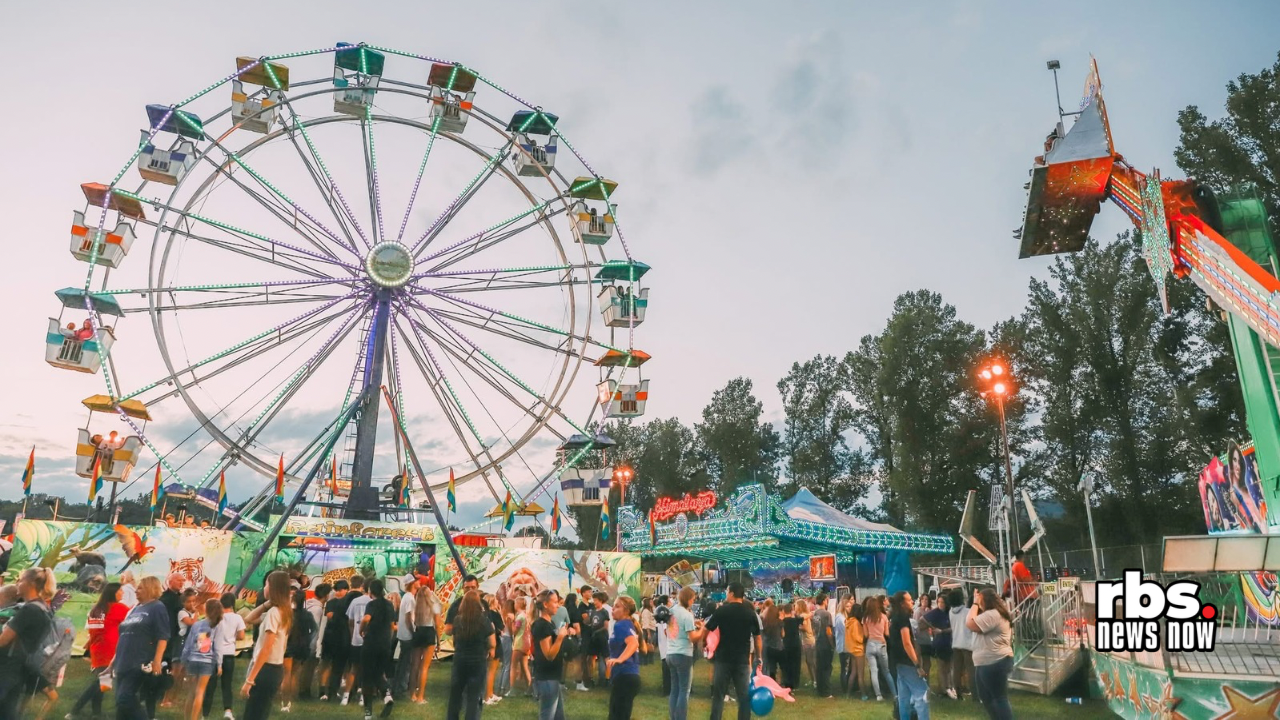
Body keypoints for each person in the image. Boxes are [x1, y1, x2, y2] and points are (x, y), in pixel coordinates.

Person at [0, 568, 57, 719]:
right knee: (7, 711)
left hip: (7, 668)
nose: (17, 583)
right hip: (22, 668)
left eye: (21, 579)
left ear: (31, 583)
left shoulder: (28, 610)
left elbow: (3, 641)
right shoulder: (44, 609)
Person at [113, 575, 171, 720]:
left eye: (140, 588)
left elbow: (163, 636)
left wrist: (157, 660)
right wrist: (113, 660)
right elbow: (123, 635)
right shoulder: (134, 609)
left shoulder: (157, 607)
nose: (136, 591)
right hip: (122, 661)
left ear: (150, 589)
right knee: (121, 706)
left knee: (125, 698)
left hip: (139, 661)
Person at [70, 582, 128, 719]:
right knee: (101, 682)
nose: (123, 593)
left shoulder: (96, 608)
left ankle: (96, 713)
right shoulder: (120, 608)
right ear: (114, 593)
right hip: (111, 649)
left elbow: (93, 632)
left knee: (101, 681)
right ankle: (74, 711)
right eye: (121, 591)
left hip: (97, 648)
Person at [704, 582, 761, 720]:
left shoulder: (722, 611)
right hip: (742, 660)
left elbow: (708, 628)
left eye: (727, 591)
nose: (726, 594)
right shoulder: (750, 613)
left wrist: (706, 645)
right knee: (743, 697)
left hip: (723, 659)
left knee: (718, 696)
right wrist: (759, 657)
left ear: (732, 593)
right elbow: (757, 638)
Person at [242, 571, 292, 720]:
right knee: (261, 712)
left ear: (273, 588)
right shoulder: (283, 611)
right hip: (276, 669)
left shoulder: (274, 613)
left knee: (252, 713)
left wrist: (249, 680)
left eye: (266, 584)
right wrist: (267, 603)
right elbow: (249, 619)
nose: (264, 588)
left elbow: (266, 648)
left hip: (266, 669)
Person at [445, 590, 494, 720]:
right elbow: (492, 642)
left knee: (455, 694)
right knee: (474, 696)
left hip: (460, 660)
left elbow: (455, 640)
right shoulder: (484, 621)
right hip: (477, 661)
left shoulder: (457, 620)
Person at [967, 588, 1014, 720]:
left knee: (999, 698)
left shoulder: (993, 614)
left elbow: (969, 623)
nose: (978, 603)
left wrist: (975, 604)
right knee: (986, 697)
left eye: (980, 600)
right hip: (985, 662)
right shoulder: (990, 615)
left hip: (994, 661)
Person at [358, 579, 396, 720]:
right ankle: (386, 694)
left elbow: (366, 619)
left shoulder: (371, 604)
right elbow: (392, 626)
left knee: (367, 677)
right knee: (379, 673)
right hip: (385, 644)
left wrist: (361, 631)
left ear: (370, 591)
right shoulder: (389, 605)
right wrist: (388, 640)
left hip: (371, 643)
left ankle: (368, 712)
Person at [889, 592, 929, 720]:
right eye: (909, 600)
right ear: (902, 603)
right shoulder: (902, 618)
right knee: (922, 694)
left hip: (897, 661)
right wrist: (917, 664)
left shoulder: (894, 616)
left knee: (904, 697)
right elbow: (907, 642)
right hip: (907, 661)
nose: (912, 602)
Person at [181, 599, 223, 720]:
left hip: (193, 660)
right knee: (200, 692)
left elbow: (188, 645)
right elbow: (218, 647)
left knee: (191, 693)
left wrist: (184, 660)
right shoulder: (217, 626)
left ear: (206, 610)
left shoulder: (196, 625)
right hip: (207, 662)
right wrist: (219, 664)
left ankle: (186, 718)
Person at [667, 587, 704, 720]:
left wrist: (694, 623)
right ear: (688, 599)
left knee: (674, 689)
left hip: (670, 652)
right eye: (693, 599)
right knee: (684, 690)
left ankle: (673, 717)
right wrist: (703, 630)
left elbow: (674, 628)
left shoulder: (671, 611)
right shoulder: (687, 614)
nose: (693, 602)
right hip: (683, 654)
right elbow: (693, 638)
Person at [531, 590, 569, 720]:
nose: (558, 605)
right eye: (555, 602)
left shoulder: (549, 623)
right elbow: (549, 655)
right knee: (547, 715)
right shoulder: (542, 625)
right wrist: (560, 638)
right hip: (547, 678)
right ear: (546, 604)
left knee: (559, 716)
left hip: (552, 676)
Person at [605, 595, 641, 720]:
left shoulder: (621, 625)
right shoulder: (628, 624)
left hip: (625, 675)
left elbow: (633, 643)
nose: (612, 609)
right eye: (613, 606)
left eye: (617, 606)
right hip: (629, 676)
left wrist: (620, 659)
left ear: (626, 610)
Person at [282, 588, 316, 713]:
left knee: (286, 674)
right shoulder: (307, 615)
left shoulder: (288, 613)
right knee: (295, 674)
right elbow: (313, 630)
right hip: (302, 646)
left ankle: (284, 700)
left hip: (288, 645)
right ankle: (292, 698)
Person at [409, 578, 442, 705]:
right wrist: (439, 642)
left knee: (415, 666)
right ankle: (420, 696)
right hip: (429, 633)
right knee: (424, 667)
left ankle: (412, 693)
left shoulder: (416, 605)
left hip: (418, 632)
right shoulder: (433, 606)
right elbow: (438, 625)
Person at [341, 575, 371, 706]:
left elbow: (350, 621)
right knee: (366, 669)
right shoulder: (373, 602)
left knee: (353, 668)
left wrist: (353, 633)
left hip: (355, 639)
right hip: (369, 640)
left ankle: (345, 697)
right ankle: (363, 698)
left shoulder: (355, 601)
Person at [320, 580, 350, 701]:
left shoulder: (344, 602)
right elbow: (330, 616)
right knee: (327, 664)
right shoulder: (331, 602)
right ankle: (323, 691)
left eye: (340, 590)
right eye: (336, 590)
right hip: (332, 636)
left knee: (337, 666)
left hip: (340, 637)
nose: (338, 592)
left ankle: (333, 690)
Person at [297, 583, 327, 700]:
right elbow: (315, 629)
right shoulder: (317, 609)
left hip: (303, 641)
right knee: (308, 669)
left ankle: (303, 690)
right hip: (310, 644)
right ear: (325, 595)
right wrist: (314, 646)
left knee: (305, 668)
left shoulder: (308, 604)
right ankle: (304, 691)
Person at [862, 595, 895, 702]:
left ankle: (878, 695)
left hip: (870, 645)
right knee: (886, 671)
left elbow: (866, 634)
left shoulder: (865, 618)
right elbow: (887, 633)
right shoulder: (884, 617)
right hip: (881, 644)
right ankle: (895, 694)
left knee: (874, 671)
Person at [391, 575, 418, 700]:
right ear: (413, 583)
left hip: (403, 634)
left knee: (402, 661)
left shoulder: (406, 597)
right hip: (407, 635)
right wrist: (413, 632)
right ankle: (400, 688)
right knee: (406, 663)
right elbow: (408, 617)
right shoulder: (410, 598)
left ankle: (396, 686)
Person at [925, 592, 954, 698]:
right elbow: (922, 620)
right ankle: (943, 689)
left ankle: (949, 687)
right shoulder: (935, 612)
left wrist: (942, 630)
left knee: (949, 667)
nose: (940, 604)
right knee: (941, 667)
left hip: (949, 641)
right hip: (939, 642)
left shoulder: (950, 613)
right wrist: (932, 628)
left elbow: (953, 627)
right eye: (939, 602)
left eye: (942, 602)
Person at [948, 587, 974, 700]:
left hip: (956, 642)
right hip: (967, 643)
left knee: (957, 670)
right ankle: (976, 695)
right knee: (971, 670)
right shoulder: (967, 612)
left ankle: (958, 693)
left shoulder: (950, 612)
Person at [811, 592, 834, 698]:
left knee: (819, 667)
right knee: (826, 668)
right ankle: (827, 691)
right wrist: (832, 644)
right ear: (824, 600)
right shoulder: (826, 614)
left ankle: (820, 689)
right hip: (825, 643)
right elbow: (828, 630)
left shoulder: (815, 613)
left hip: (817, 642)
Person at [587, 591, 611, 688]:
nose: (594, 602)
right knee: (591, 657)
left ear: (600, 601)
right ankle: (591, 678)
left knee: (606, 658)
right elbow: (589, 622)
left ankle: (607, 679)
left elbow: (605, 626)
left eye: (596, 600)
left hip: (602, 637)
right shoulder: (592, 611)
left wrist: (596, 632)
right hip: (594, 638)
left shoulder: (604, 612)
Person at [483, 595, 504, 705]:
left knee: (487, 670)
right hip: (495, 642)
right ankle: (487, 696)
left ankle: (490, 693)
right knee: (492, 671)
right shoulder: (495, 614)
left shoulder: (484, 614)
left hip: (484, 643)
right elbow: (502, 627)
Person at [844, 602, 866, 699]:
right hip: (858, 650)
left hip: (851, 649)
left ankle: (848, 694)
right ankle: (863, 695)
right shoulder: (856, 623)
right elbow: (859, 638)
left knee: (853, 672)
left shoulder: (848, 621)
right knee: (860, 675)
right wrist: (865, 636)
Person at [780, 603, 802, 690]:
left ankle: (787, 683)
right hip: (795, 644)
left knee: (787, 665)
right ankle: (795, 683)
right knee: (795, 664)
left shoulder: (782, 621)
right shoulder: (795, 620)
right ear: (792, 610)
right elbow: (807, 616)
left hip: (786, 644)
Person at [761, 602, 783, 680]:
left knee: (771, 667)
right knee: (782, 666)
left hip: (768, 647)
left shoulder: (764, 622)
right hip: (778, 646)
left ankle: (772, 682)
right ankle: (781, 682)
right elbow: (783, 634)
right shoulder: (779, 621)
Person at [833, 597, 847, 692]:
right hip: (843, 645)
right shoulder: (840, 618)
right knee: (844, 668)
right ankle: (845, 687)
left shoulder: (842, 617)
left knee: (845, 667)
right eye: (848, 606)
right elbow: (845, 631)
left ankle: (846, 685)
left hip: (845, 645)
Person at [639, 597, 656, 665]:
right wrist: (648, 633)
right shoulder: (646, 611)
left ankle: (649, 661)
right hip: (647, 630)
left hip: (652, 629)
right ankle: (645, 661)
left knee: (650, 646)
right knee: (647, 645)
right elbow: (646, 623)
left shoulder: (651, 610)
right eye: (651, 602)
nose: (652, 603)